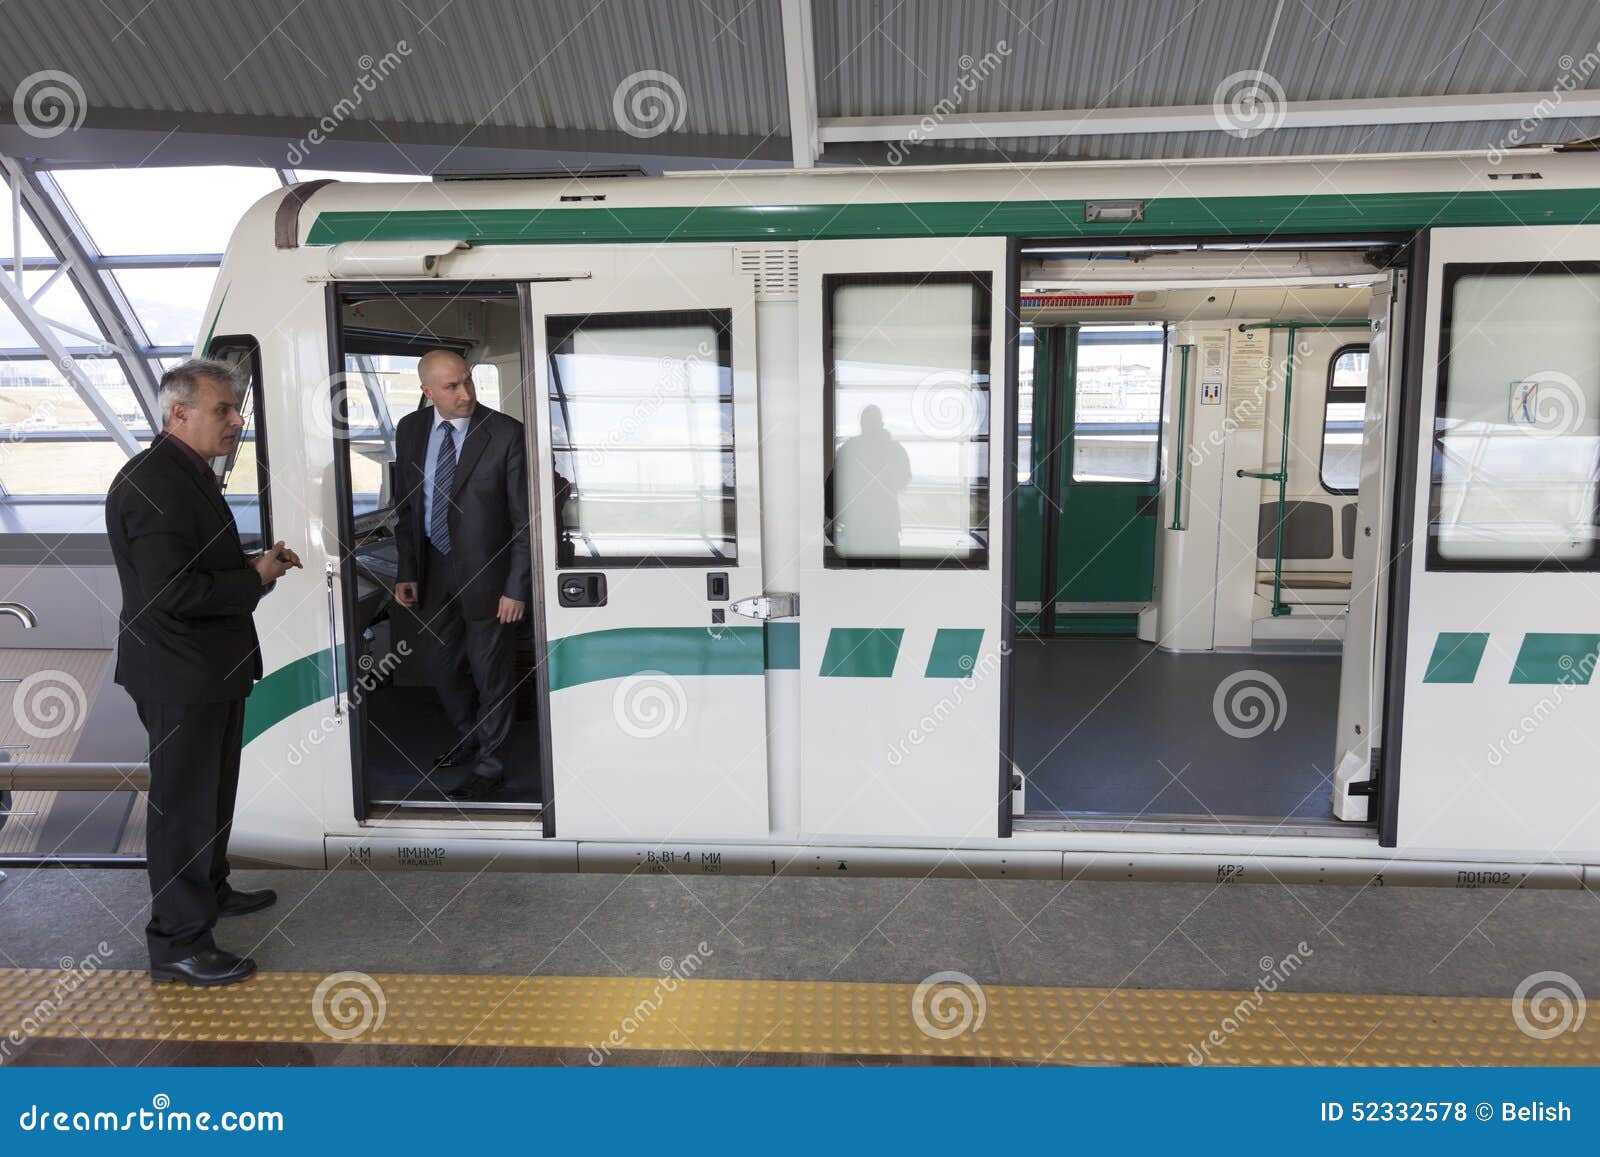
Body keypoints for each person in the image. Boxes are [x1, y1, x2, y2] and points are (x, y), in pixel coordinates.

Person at [105, 358, 301, 987]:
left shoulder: (184, 473)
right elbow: (172, 594)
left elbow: (190, 568)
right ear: (179, 412)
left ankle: (209, 891)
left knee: (211, 795)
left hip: (206, 669)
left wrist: (249, 565)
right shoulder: (154, 483)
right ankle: (178, 943)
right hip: (178, 674)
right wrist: (253, 578)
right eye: (224, 410)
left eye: (235, 409)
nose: (237, 420)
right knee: (183, 806)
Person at [392, 350, 531, 802]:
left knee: (491, 672)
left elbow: (524, 519)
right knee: (441, 666)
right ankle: (471, 734)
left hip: (490, 576)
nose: (465, 393)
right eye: (452, 387)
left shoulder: (506, 433)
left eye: (468, 382)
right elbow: (408, 509)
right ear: (426, 391)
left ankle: (490, 764)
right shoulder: (410, 430)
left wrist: (516, 587)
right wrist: (407, 571)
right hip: (432, 569)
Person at [829, 404, 911, 557]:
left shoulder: (848, 449)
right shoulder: (895, 450)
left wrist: (839, 518)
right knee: (888, 573)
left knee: (857, 575)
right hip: (887, 523)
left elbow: (832, 488)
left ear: (862, 424)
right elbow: (904, 480)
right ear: (881, 423)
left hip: (858, 524)